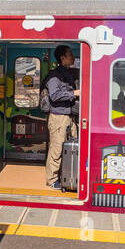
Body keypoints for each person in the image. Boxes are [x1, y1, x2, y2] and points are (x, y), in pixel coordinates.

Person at [43, 45, 80, 189]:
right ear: (63, 58)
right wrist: (75, 94)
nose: (73, 57)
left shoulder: (68, 74)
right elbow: (55, 95)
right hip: (58, 117)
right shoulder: (54, 76)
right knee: (57, 148)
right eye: (70, 54)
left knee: (72, 146)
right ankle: (52, 179)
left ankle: (67, 175)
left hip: (69, 116)